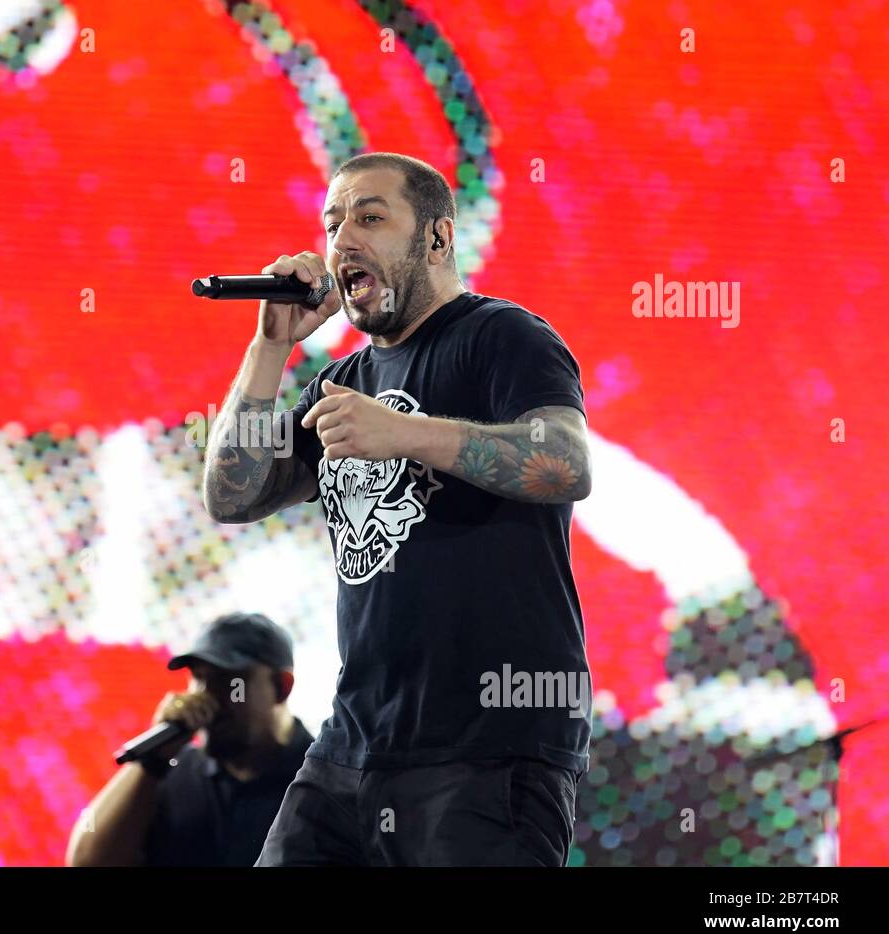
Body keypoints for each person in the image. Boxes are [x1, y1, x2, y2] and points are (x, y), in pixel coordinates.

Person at [201, 151, 593, 866]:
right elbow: (233, 494)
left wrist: (403, 434)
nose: (343, 239)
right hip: (352, 747)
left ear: (437, 238)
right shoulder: (340, 382)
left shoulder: (503, 337)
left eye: (370, 217)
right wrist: (270, 347)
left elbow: (566, 463)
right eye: (333, 223)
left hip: (487, 749)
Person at [65, 613, 314, 866]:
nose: (206, 696)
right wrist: (152, 761)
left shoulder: (322, 782)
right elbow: (87, 861)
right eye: (199, 678)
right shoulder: (168, 773)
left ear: (282, 686)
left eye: (228, 681)